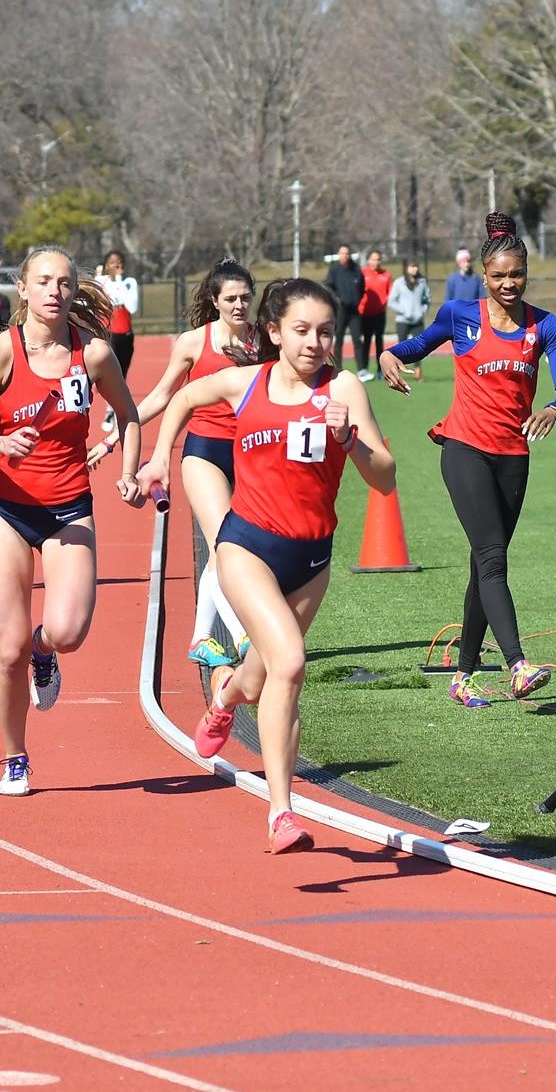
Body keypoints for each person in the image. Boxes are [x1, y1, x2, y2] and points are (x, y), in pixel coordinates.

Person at [137, 277, 397, 854]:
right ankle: (281, 812)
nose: (314, 343)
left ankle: (225, 695)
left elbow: (385, 477)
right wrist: (158, 459)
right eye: (301, 330)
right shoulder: (244, 382)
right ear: (274, 332)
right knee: (291, 663)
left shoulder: (343, 388)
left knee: (259, 680)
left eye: (325, 332)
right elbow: (183, 399)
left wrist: (350, 440)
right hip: (247, 547)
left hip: (311, 557)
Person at [0, 245, 146, 796]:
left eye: (63, 282)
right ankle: (15, 757)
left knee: (67, 633)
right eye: (43, 281)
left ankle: (45, 649)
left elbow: (128, 416)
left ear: (73, 290)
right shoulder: (0, 353)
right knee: (6, 649)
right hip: (7, 511)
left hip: (69, 508)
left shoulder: (94, 354)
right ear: (24, 289)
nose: (54, 291)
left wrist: (129, 473)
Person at [379, 212, 556, 707]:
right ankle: (518, 665)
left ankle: (462, 677)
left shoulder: (545, 325)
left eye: (517, 275)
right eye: (499, 276)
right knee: (492, 559)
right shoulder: (459, 314)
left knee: (483, 566)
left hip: (514, 457)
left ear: (526, 274)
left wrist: (553, 408)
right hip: (464, 450)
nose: (509, 284)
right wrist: (389, 355)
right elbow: (415, 346)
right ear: (483, 276)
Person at [95, 258, 258, 670]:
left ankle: (201, 637)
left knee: (235, 548)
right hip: (205, 451)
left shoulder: (265, 340)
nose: (239, 305)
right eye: (231, 299)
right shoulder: (192, 343)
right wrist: (114, 437)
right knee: (224, 544)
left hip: (252, 453)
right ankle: (245, 635)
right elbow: (161, 396)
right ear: (215, 301)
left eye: (245, 297)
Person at [96, 250, 139, 433]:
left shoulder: (129, 283)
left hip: (125, 335)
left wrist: (119, 281)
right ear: (106, 265)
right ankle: (110, 410)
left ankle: (114, 409)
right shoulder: (101, 282)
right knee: (109, 374)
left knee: (121, 375)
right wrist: (102, 277)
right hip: (108, 334)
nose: (116, 265)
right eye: (112, 262)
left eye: (119, 262)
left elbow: (132, 307)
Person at [324, 244, 365, 376]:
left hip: (354, 311)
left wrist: (357, 300)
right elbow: (328, 286)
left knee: (357, 340)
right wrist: (337, 299)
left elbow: (362, 288)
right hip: (341, 311)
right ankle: (337, 369)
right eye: (342, 253)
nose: (345, 256)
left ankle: (362, 370)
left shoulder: (356, 269)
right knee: (339, 340)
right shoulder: (334, 270)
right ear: (339, 255)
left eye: (347, 253)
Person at [355, 249, 392, 381]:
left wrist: (384, 303)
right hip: (364, 313)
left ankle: (380, 370)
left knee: (379, 342)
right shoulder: (362, 273)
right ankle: (363, 369)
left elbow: (390, 293)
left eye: (378, 259)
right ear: (369, 260)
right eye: (374, 259)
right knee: (365, 341)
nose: (376, 262)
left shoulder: (386, 275)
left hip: (380, 313)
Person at [388, 259, 431, 344]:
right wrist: (404, 311)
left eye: (416, 266)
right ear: (406, 268)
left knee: (420, 347)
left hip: (418, 322)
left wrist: (422, 311)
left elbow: (427, 300)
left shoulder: (422, 282)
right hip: (402, 321)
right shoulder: (399, 282)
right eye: (412, 266)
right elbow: (391, 302)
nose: (415, 269)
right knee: (403, 348)